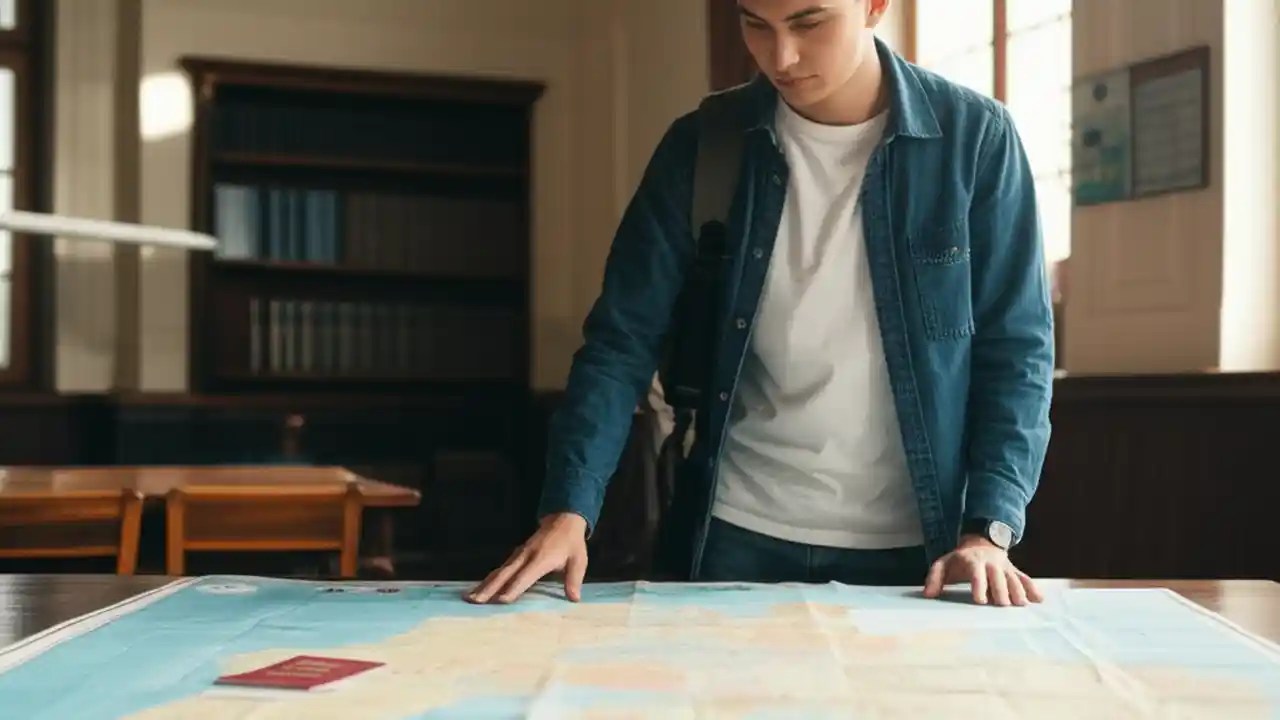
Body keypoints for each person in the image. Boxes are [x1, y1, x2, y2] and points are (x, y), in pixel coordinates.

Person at [468, 0, 1054, 608]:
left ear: (875, 6)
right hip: (732, 534)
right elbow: (621, 340)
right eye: (755, 24)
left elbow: (1018, 352)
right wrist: (569, 509)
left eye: (808, 23)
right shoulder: (703, 145)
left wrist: (990, 530)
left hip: (916, 550)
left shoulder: (976, 141)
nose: (782, 57)